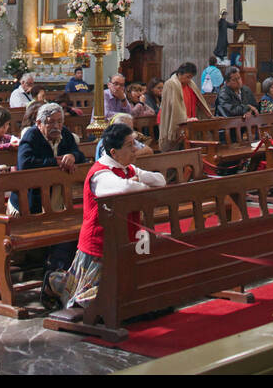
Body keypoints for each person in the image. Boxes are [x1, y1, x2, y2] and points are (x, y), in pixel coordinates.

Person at [56, 122, 167, 309]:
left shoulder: (129, 169)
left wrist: (138, 180)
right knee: (99, 301)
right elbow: (124, 188)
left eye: (135, 144)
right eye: (130, 146)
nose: (135, 150)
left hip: (126, 237)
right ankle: (56, 281)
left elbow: (161, 180)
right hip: (101, 241)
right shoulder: (100, 174)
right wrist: (141, 186)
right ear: (113, 152)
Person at [12, 102, 88, 307]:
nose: (56, 126)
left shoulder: (66, 136)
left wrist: (72, 156)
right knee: (61, 229)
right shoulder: (31, 136)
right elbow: (25, 164)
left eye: (60, 121)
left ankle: (56, 274)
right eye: (51, 122)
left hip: (56, 201)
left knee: (73, 230)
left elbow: (79, 156)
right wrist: (56, 162)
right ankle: (54, 276)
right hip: (29, 203)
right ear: (39, 123)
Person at [158, 62, 211, 150]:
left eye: (191, 77)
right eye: (188, 76)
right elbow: (173, 107)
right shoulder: (170, 84)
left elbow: (199, 100)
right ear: (180, 73)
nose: (189, 79)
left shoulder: (190, 84)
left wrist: (209, 115)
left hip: (190, 121)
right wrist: (184, 119)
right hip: (177, 122)